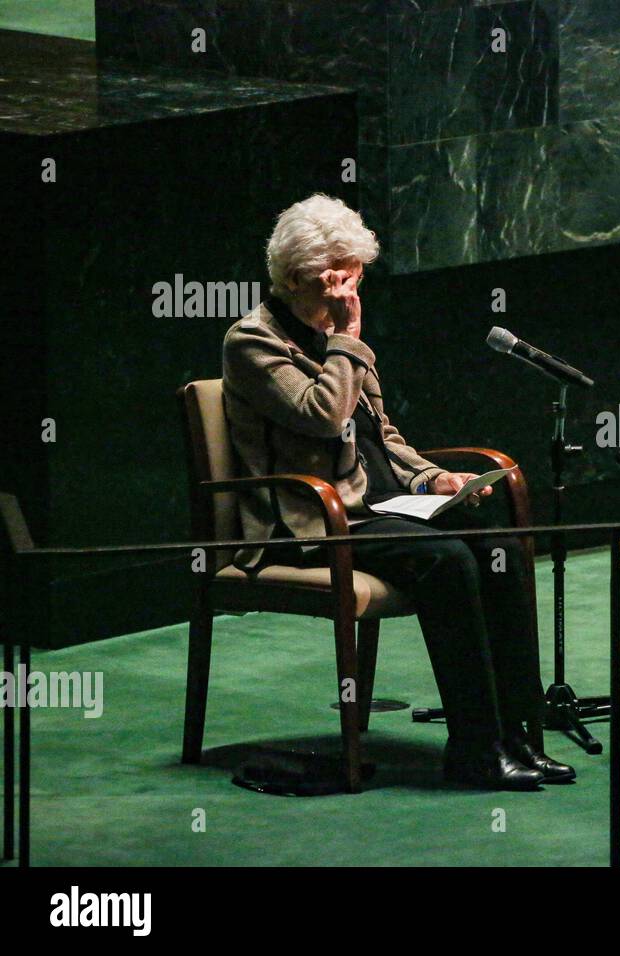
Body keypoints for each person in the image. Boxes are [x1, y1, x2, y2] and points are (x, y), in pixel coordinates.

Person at [221, 193, 574, 788]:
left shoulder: (336, 338)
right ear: (296, 277)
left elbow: (380, 434)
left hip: (374, 506)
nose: (349, 295)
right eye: (337, 281)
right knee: (447, 560)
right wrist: (347, 337)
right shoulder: (252, 343)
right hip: (309, 524)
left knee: (501, 551)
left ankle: (519, 735)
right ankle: (475, 749)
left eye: (355, 280)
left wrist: (430, 477)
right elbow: (326, 415)